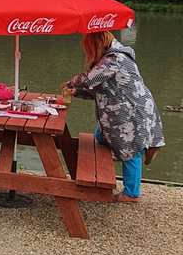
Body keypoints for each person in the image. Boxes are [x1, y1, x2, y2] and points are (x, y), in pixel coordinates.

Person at [64, 31, 165, 202]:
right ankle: (146, 147)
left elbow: (89, 80)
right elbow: (100, 89)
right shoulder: (110, 59)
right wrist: (77, 92)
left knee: (129, 151)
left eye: (89, 48)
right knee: (100, 137)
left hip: (131, 112)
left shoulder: (115, 59)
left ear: (98, 43)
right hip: (124, 109)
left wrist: (71, 82)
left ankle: (131, 194)